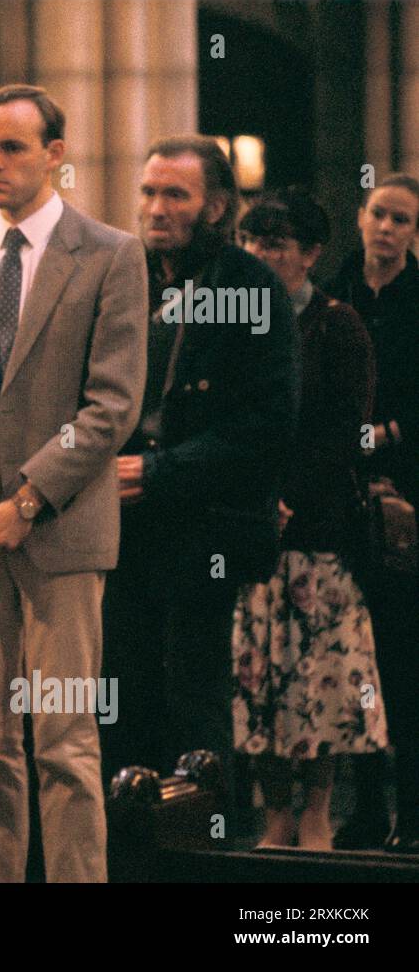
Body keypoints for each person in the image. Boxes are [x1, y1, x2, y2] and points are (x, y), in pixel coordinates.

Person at [0, 84, 148, 883]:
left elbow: (112, 405)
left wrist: (25, 501)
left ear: (55, 154)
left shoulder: (111, 253)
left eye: (12, 147)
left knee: (63, 741)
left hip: (59, 529)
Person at [102, 136, 300, 821]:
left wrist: (160, 471)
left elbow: (268, 423)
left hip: (205, 526)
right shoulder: (126, 273)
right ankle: (130, 845)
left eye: (175, 195)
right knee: (121, 693)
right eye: (149, 191)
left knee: (195, 696)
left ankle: (210, 845)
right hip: (121, 524)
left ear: (215, 206)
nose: (156, 207)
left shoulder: (250, 286)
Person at [232, 190, 388, 850]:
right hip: (249, 531)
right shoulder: (232, 319)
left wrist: (289, 495)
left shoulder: (335, 323)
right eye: (250, 242)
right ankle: (275, 811)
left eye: (275, 244)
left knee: (318, 681)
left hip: (316, 534)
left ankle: (318, 808)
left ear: (311, 253)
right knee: (259, 680)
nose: (259, 255)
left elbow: (346, 431)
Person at [328, 173, 419, 853]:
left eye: (402, 220)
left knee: (403, 655)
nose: (386, 228)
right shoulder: (334, 293)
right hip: (341, 493)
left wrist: (384, 435)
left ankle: (410, 812)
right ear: (360, 216)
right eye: (379, 214)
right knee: (351, 659)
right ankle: (360, 809)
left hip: (406, 492)